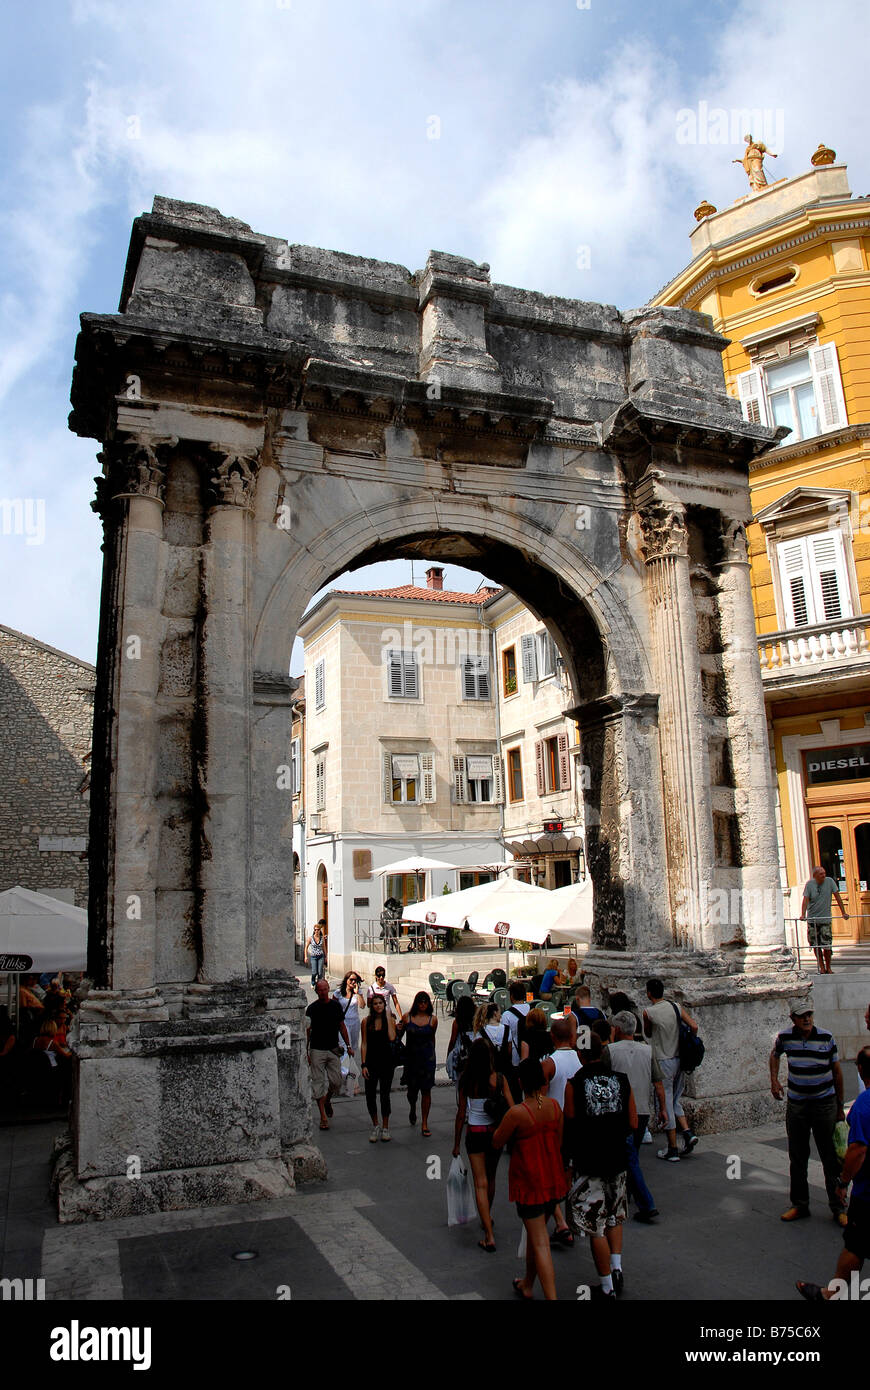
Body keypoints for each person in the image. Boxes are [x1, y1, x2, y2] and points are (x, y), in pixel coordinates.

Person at [563, 1033, 636, 1298]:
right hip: (617, 1159)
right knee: (615, 1216)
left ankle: (606, 1287)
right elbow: (633, 1122)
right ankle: (616, 1268)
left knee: (596, 1226)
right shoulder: (621, 1080)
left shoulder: (575, 1084)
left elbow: (570, 1126)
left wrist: (567, 1163)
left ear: (581, 1055)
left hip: (589, 1162)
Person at [796, 1045, 870, 1301]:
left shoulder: (863, 1106)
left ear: (860, 1071)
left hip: (868, 1193)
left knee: (856, 1245)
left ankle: (829, 1295)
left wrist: (842, 1182)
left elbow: (858, 1150)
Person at [492, 1058, 569, 1300]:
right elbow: (558, 1142)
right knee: (539, 1237)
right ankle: (527, 1283)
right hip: (553, 1180)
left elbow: (497, 1141)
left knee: (540, 1242)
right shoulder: (555, 1107)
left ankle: (551, 1296)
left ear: (520, 1082)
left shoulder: (518, 1113)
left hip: (530, 1183)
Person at [771, 1001, 847, 1224]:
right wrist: (773, 1080)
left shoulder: (826, 1037)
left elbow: (837, 1073)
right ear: (792, 1018)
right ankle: (800, 1204)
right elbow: (775, 1055)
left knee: (830, 1158)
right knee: (797, 1156)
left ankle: (838, 1207)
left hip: (824, 1104)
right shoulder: (785, 1038)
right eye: (801, 1016)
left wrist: (840, 1106)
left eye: (809, 1015)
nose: (806, 1019)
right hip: (797, 1105)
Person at [453, 1038, 513, 1251]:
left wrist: (456, 1144)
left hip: (475, 1133)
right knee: (491, 1177)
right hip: (494, 1133)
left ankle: (488, 1234)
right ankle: (488, 1215)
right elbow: (512, 1109)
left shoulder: (466, 1079)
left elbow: (461, 1114)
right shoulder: (499, 1079)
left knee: (480, 1182)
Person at [608, 1011, 667, 1223]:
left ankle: (647, 1202)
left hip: (620, 1112)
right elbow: (658, 1085)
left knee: (629, 1157)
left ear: (616, 1029)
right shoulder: (647, 1050)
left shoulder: (610, 1051)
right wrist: (663, 1109)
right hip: (642, 1110)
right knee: (632, 1154)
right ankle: (629, 1192)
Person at [643, 977, 699, 1161]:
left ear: (649, 993)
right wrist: (688, 1042)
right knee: (675, 1099)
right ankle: (688, 1133)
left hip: (663, 1060)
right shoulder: (675, 1006)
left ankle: (672, 1148)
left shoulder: (648, 1012)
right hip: (679, 1058)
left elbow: (649, 1033)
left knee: (665, 1102)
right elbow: (694, 1026)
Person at [305, 978, 352, 1131]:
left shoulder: (335, 1006)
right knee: (318, 1083)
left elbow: (342, 1026)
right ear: (317, 991)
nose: (323, 992)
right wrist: (306, 1051)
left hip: (333, 1048)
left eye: (325, 989)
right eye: (320, 990)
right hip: (317, 1049)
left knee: (336, 1081)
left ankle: (328, 1100)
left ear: (328, 989)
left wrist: (349, 1045)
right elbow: (307, 1031)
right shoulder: (311, 1009)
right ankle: (323, 1117)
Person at [398, 991, 437, 1136]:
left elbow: (432, 1039)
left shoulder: (433, 1020)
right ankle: (413, 1107)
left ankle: (425, 1122)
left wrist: (433, 1056)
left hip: (427, 1059)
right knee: (412, 1091)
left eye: (425, 1001)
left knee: (426, 1091)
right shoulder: (407, 1017)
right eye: (420, 1001)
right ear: (416, 1003)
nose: (422, 1004)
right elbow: (398, 1036)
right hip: (412, 1059)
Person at [360, 993, 396, 1142]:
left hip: (386, 1062)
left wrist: (388, 1017)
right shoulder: (366, 1021)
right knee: (370, 1095)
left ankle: (385, 1127)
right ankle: (376, 1125)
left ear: (384, 1004)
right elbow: (364, 1043)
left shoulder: (390, 1020)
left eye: (380, 1003)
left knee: (385, 1095)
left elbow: (392, 1037)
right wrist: (363, 1064)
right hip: (371, 1062)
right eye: (375, 1003)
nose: (378, 1006)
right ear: (371, 1006)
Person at [800, 865, 849, 975]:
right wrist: (803, 914)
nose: (823, 875)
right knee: (816, 945)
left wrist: (843, 912)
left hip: (825, 919)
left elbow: (838, 897)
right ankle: (821, 967)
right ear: (815, 876)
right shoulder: (809, 885)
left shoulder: (830, 881)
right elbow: (805, 900)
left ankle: (828, 967)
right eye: (821, 874)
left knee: (827, 945)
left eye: (824, 873)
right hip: (813, 919)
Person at [333, 971, 366, 1094]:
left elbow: (362, 1006)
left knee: (353, 1048)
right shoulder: (338, 993)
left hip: (354, 1023)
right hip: (343, 1023)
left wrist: (358, 994)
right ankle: (346, 1074)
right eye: (351, 979)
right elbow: (333, 1008)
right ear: (346, 980)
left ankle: (349, 1071)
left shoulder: (358, 993)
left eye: (355, 980)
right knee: (346, 1049)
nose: (353, 982)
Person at [502, 979, 531, 1097]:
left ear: (511, 996)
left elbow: (506, 1040)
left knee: (516, 1092)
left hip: (515, 1057)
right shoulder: (532, 1009)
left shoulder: (507, 1015)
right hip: (532, 1055)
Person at [473, 1001, 512, 1074]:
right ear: (495, 1013)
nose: (500, 1015)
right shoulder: (507, 1029)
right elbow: (509, 1050)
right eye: (499, 1012)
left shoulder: (481, 1031)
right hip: (504, 1069)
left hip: (487, 1069)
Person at [304, 920, 327, 987]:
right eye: (315, 930)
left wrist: (326, 956)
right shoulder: (310, 938)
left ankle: (319, 985)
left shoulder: (322, 938)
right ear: (314, 930)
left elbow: (324, 948)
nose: (317, 931)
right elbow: (306, 947)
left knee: (320, 972)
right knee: (314, 972)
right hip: (313, 956)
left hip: (321, 956)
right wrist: (305, 957)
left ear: (320, 930)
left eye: (318, 930)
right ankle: (313, 982)